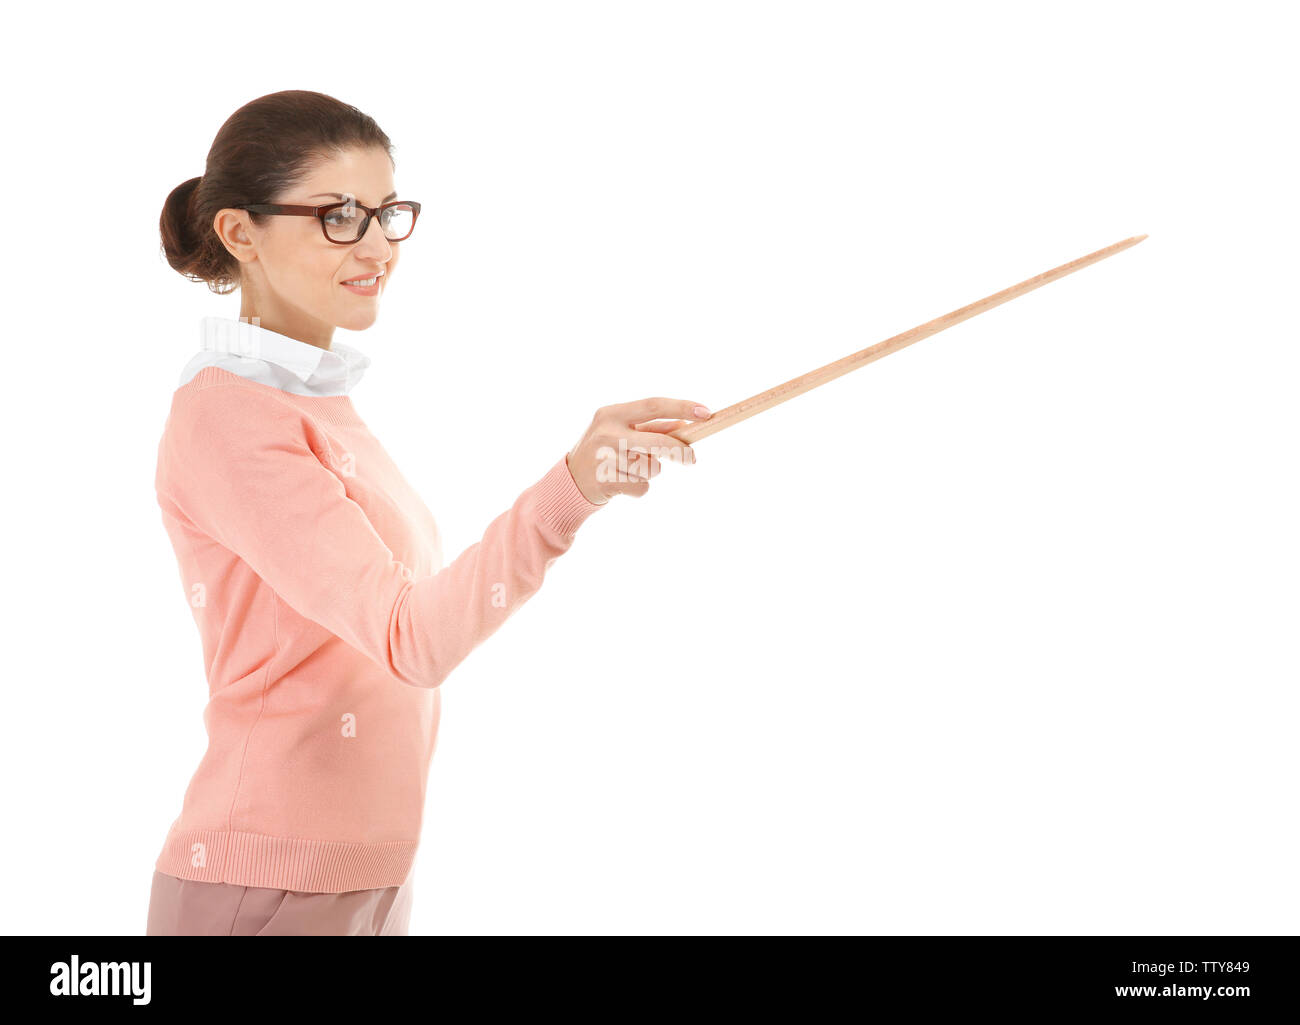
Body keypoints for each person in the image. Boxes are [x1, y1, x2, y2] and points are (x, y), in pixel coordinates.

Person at [147, 89, 708, 935]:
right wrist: (574, 487)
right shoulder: (228, 415)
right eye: (339, 216)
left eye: (386, 213)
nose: (378, 246)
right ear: (239, 232)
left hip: (366, 875)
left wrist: (585, 482)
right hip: (263, 885)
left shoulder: (311, 400)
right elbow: (411, 639)